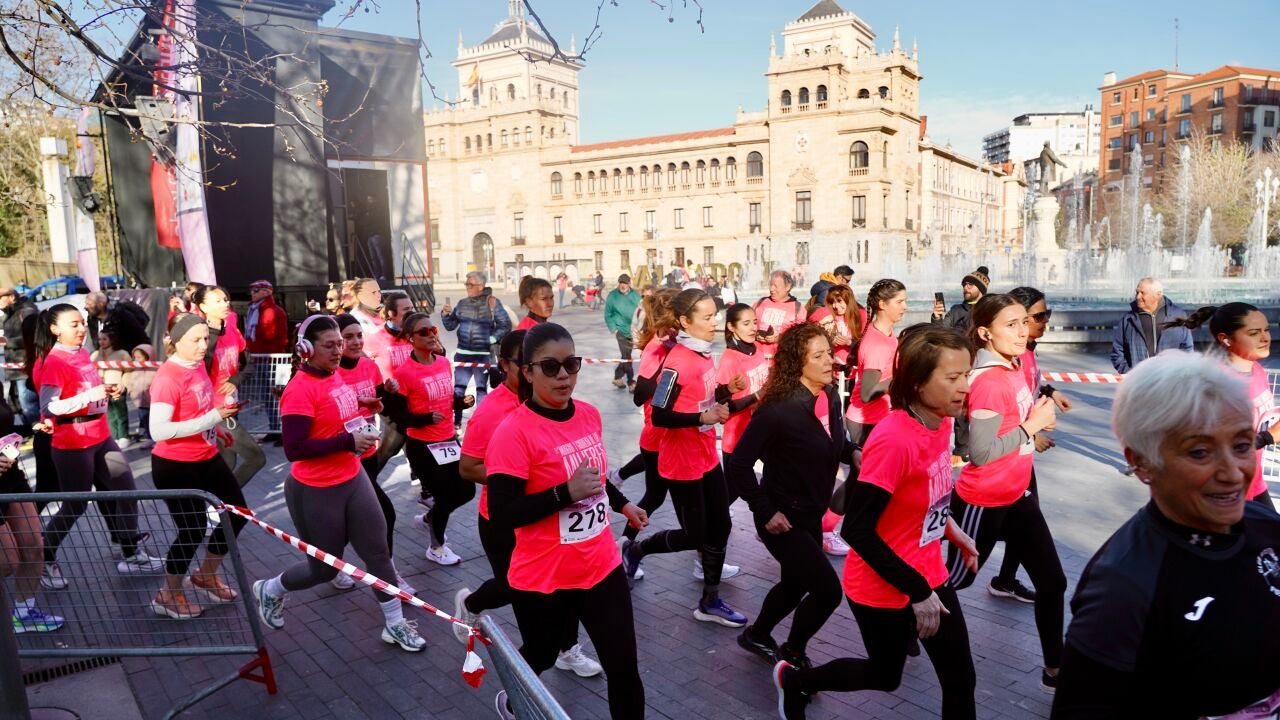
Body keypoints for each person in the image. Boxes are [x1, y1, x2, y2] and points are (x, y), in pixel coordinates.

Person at [1053, 352, 1280, 719]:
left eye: (1241, 445)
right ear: (1141, 462)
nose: (1233, 473)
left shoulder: (1267, 527)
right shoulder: (1123, 585)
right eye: (1200, 452)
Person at [774, 324, 982, 720]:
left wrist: (952, 531)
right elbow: (857, 529)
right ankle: (796, 683)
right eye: (953, 377)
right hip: (881, 586)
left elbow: (924, 496)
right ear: (918, 383)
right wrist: (917, 591)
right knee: (885, 677)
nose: (965, 387)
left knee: (960, 679)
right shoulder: (895, 439)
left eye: (967, 375)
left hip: (928, 573)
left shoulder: (940, 422)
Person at [486, 322, 648, 719]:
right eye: (550, 367)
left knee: (624, 668)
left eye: (571, 365)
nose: (563, 375)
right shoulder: (513, 433)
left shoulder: (589, 414)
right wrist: (563, 494)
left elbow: (591, 479)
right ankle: (512, 699)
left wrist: (623, 503)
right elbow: (503, 513)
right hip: (545, 575)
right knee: (539, 655)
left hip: (600, 566)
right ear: (527, 372)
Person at [251, 315, 425, 652]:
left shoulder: (333, 376)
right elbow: (294, 448)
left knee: (378, 553)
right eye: (329, 345)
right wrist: (347, 443)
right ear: (306, 349)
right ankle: (271, 589)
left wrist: (363, 405)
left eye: (339, 344)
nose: (338, 351)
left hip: (352, 477)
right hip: (316, 490)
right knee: (324, 571)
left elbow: (334, 412)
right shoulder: (299, 390)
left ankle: (395, 624)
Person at [451, 329, 604, 677]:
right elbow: (468, 466)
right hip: (503, 520)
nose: (555, 373)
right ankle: (472, 603)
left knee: (565, 588)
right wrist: (520, 476)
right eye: (542, 365)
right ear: (510, 366)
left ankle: (567, 649)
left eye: (564, 365)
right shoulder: (494, 412)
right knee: (515, 590)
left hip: (553, 516)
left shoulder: (564, 405)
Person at [944, 293, 1066, 694]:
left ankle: (1055, 671)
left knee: (1054, 583)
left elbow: (1013, 424)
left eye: (1023, 322)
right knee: (950, 583)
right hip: (982, 501)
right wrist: (1032, 427)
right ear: (984, 333)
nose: (1022, 330)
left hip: (1017, 496)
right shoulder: (992, 380)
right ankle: (911, 619)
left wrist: (1039, 409)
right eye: (1010, 324)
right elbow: (979, 453)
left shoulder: (1013, 365)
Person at [621, 289, 748, 627]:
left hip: (706, 454)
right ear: (684, 322)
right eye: (707, 318)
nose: (714, 322)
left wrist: (725, 392)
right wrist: (701, 419)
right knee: (695, 535)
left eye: (714, 315)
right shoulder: (676, 362)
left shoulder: (704, 353)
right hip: (682, 464)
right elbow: (660, 415)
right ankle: (636, 550)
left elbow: (701, 397)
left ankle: (710, 600)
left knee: (721, 525)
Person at [729, 323, 848, 674]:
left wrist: (854, 451)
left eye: (829, 352)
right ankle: (793, 651)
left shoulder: (830, 396)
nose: (829, 361)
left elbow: (833, 442)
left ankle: (757, 634)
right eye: (819, 356)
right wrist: (765, 510)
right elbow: (739, 465)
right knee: (827, 591)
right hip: (782, 518)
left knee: (796, 584)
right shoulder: (778, 410)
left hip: (811, 513)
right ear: (798, 363)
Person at [36, 304, 161, 590]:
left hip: (101, 436)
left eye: (82, 323)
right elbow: (48, 407)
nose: (81, 329)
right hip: (72, 443)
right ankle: (44, 557)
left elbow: (85, 390)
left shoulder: (81, 353)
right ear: (55, 329)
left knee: (127, 490)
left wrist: (106, 389)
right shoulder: (53, 361)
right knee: (76, 504)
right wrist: (90, 395)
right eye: (73, 324)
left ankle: (131, 553)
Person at [147, 314, 248, 619]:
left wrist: (216, 430)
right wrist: (213, 419)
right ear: (175, 342)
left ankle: (205, 575)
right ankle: (167, 595)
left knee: (238, 515)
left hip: (206, 456)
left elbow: (200, 408)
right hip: (174, 465)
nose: (203, 345)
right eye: (195, 340)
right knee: (191, 531)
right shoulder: (168, 377)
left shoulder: (198, 366)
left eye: (205, 338)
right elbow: (159, 431)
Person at [987, 287, 1073, 605]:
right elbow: (999, 410)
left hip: (1018, 461)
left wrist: (1049, 392)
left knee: (1025, 523)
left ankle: (1006, 578)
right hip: (997, 468)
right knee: (962, 563)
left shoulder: (1028, 351)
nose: (1043, 322)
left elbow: (1029, 386)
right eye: (1038, 316)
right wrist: (1032, 433)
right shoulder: (1011, 358)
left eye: (1044, 315)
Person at [1164, 302, 1279, 510]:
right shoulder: (1216, 383)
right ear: (1225, 339)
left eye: (1266, 330)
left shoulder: (1258, 371)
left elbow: (1258, 416)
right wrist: (1267, 437)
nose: (1265, 338)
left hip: (1254, 482)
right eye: (1254, 332)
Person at [332, 313, 416, 594]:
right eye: (347, 337)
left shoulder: (369, 367)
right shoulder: (330, 372)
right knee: (385, 513)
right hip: (341, 457)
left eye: (358, 336)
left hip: (366, 455)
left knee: (349, 520)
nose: (355, 342)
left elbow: (381, 402)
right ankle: (389, 577)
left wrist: (390, 392)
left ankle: (328, 564)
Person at [393, 312, 476, 565]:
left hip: (448, 440)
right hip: (423, 446)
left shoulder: (441, 362)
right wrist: (425, 419)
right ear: (410, 338)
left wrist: (461, 402)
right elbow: (400, 416)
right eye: (423, 332)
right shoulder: (405, 372)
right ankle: (436, 547)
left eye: (433, 331)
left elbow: (446, 397)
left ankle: (430, 519)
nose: (431, 335)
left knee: (467, 490)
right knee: (445, 497)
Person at [832, 279, 908, 555]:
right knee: (860, 480)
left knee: (863, 479)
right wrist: (900, 381)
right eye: (899, 302)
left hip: (876, 419)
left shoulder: (886, 335)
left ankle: (836, 527)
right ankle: (828, 527)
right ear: (882, 305)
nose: (905, 307)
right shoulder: (877, 343)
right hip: (865, 420)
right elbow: (866, 393)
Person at [0, 402, 64, 634]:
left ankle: (24, 613)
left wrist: (31, 428)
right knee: (7, 561)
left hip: (11, 479)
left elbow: (4, 427)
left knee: (35, 548)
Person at [194, 286, 264, 488]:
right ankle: (221, 505)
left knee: (228, 461)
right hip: (214, 410)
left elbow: (249, 363)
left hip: (231, 406)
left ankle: (212, 507)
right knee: (256, 458)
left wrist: (236, 380)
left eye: (225, 299)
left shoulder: (232, 326)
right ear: (203, 307)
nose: (225, 303)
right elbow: (196, 375)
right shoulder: (200, 336)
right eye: (217, 301)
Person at [440, 272, 511, 429]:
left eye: (470, 285)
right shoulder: (462, 303)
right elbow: (450, 326)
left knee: (481, 390)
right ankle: (457, 423)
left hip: (483, 355)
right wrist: (445, 315)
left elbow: (505, 324)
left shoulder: (491, 303)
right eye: (466, 284)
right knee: (459, 390)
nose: (467, 287)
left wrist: (490, 340)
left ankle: (482, 423)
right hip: (463, 354)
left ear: (481, 286)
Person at [1109, 277, 1194, 374]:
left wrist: (1177, 375)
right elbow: (1117, 352)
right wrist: (1129, 373)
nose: (1137, 297)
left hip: (1169, 382)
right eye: (1137, 292)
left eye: (1143, 293)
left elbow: (1187, 350)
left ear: (1158, 295)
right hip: (1138, 383)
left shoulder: (1178, 316)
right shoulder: (1128, 320)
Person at [1, 287, 39, 425]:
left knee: (28, 404)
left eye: (0, 298)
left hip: (25, 366)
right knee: (17, 403)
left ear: (11, 297)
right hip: (14, 368)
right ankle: (32, 432)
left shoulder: (26, 311)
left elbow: (32, 336)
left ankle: (40, 433)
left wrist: (6, 342)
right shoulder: (9, 313)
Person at [90, 330, 132, 450]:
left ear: (112, 340)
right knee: (109, 414)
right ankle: (114, 437)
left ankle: (124, 436)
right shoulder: (96, 355)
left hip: (116, 387)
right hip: (102, 388)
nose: (101, 342)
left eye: (104, 339)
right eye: (100, 339)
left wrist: (123, 384)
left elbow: (129, 370)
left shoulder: (122, 354)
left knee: (120, 413)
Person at [754, 270, 806, 360]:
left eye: (775, 286)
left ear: (788, 287)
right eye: (770, 285)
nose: (771, 289)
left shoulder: (798, 309)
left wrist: (780, 338)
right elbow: (747, 325)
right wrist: (755, 334)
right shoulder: (760, 303)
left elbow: (801, 337)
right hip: (756, 360)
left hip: (781, 362)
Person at [604, 274, 641, 391]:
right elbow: (607, 314)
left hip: (633, 330)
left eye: (625, 283)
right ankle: (631, 382)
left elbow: (641, 311)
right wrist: (613, 329)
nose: (622, 285)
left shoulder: (635, 295)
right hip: (620, 330)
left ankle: (617, 377)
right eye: (621, 283)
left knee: (626, 356)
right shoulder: (612, 296)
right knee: (626, 356)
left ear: (629, 283)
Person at [84, 291, 150, 353]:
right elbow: (96, 343)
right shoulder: (92, 319)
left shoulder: (122, 315)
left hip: (127, 357)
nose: (86, 307)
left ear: (101, 304)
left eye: (89, 304)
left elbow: (141, 337)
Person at [125, 343, 156, 444]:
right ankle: (147, 437)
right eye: (135, 357)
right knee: (143, 419)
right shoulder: (135, 369)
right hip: (139, 402)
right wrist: (131, 391)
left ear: (148, 357)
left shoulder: (155, 369)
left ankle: (153, 438)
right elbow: (130, 381)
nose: (136, 359)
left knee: (152, 421)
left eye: (139, 357)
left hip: (152, 401)